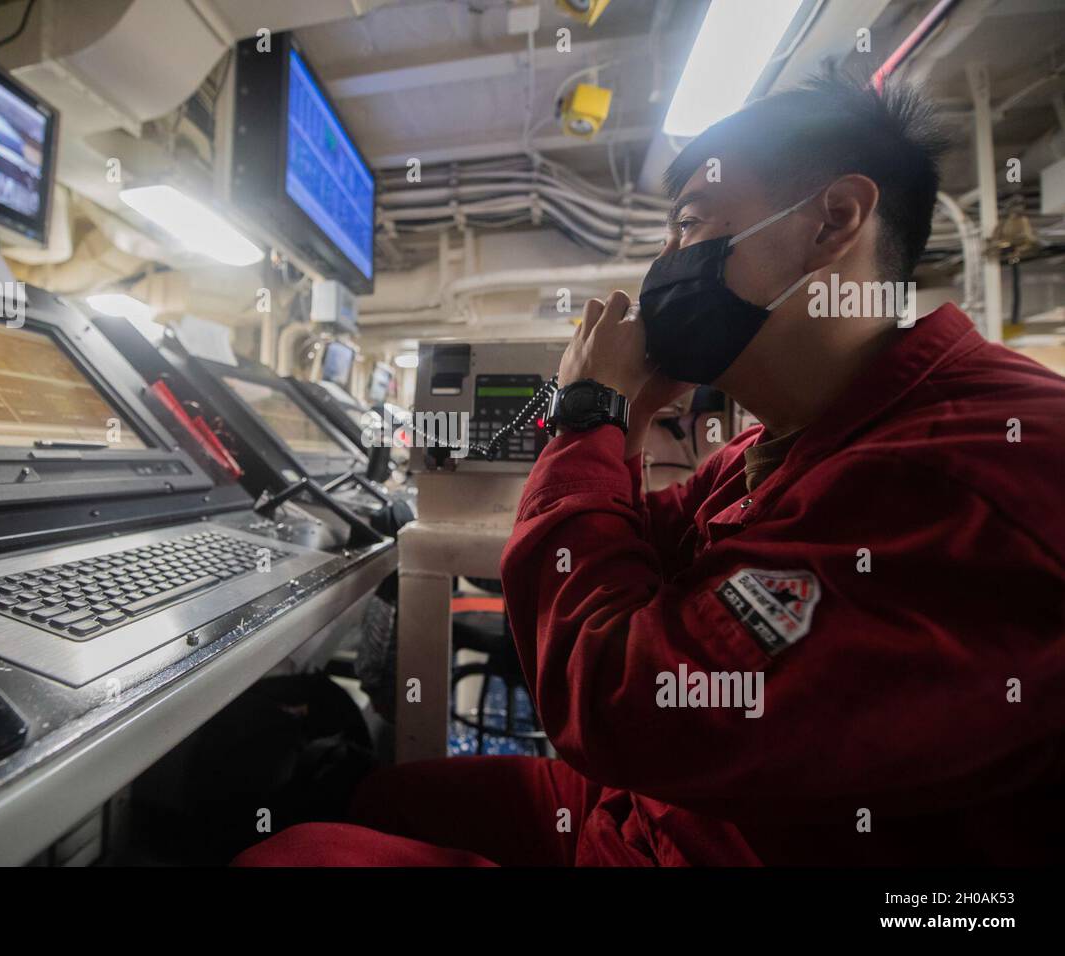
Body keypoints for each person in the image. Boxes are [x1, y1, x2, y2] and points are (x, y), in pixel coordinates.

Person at [233, 72, 1065, 866]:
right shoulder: (783, 441)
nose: (665, 264)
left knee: (294, 857)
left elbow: (618, 702)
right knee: (391, 799)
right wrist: (619, 423)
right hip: (661, 816)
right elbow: (631, 561)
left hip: (711, 833)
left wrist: (589, 410)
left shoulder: (972, 473)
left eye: (693, 224)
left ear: (834, 219)